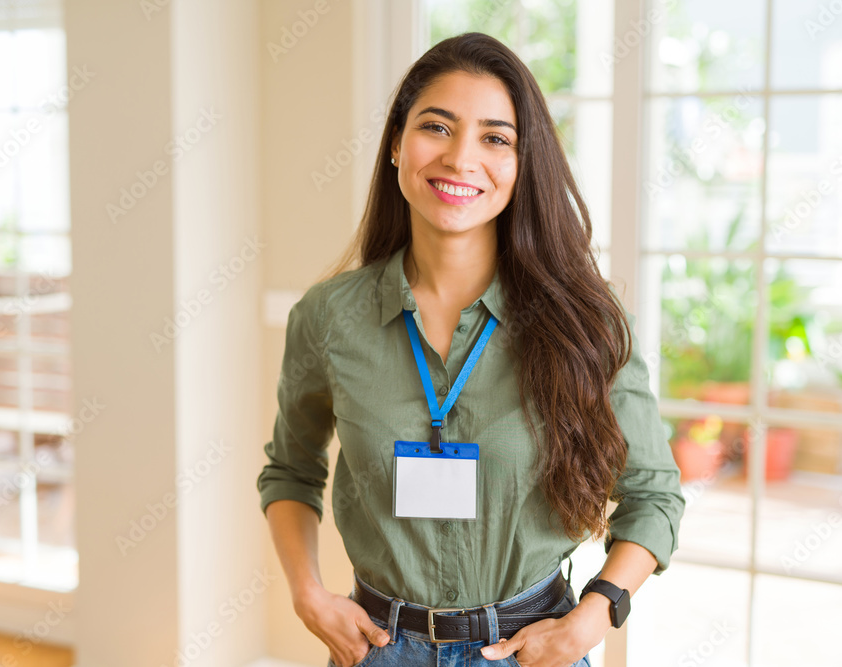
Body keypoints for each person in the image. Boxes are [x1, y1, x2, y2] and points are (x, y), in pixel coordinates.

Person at [257, 31, 685, 667]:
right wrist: (308, 595)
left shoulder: (587, 320)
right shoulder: (327, 317)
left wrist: (590, 620)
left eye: (495, 138)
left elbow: (654, 494)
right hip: (379, 649)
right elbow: (291, 471)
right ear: (396, 143)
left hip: (530, 646)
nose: (461, 159)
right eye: (437, 127)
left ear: (522, 163)